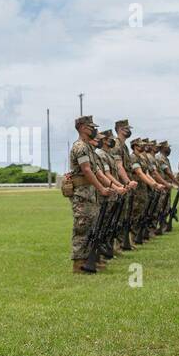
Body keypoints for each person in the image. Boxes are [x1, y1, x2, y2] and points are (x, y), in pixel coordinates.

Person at [66, 115, 109, 271]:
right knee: (82, 227)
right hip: (82, 194)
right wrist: (101, 188)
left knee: (92, 227)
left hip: (90, 194)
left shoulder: (88, 147)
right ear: (83, 127)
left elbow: (97, 171)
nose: (94, 130)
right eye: (91, 127)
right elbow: (86, 170)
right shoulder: (80, 147)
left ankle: (88, 260)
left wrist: (111, 186)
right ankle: (78, 264)